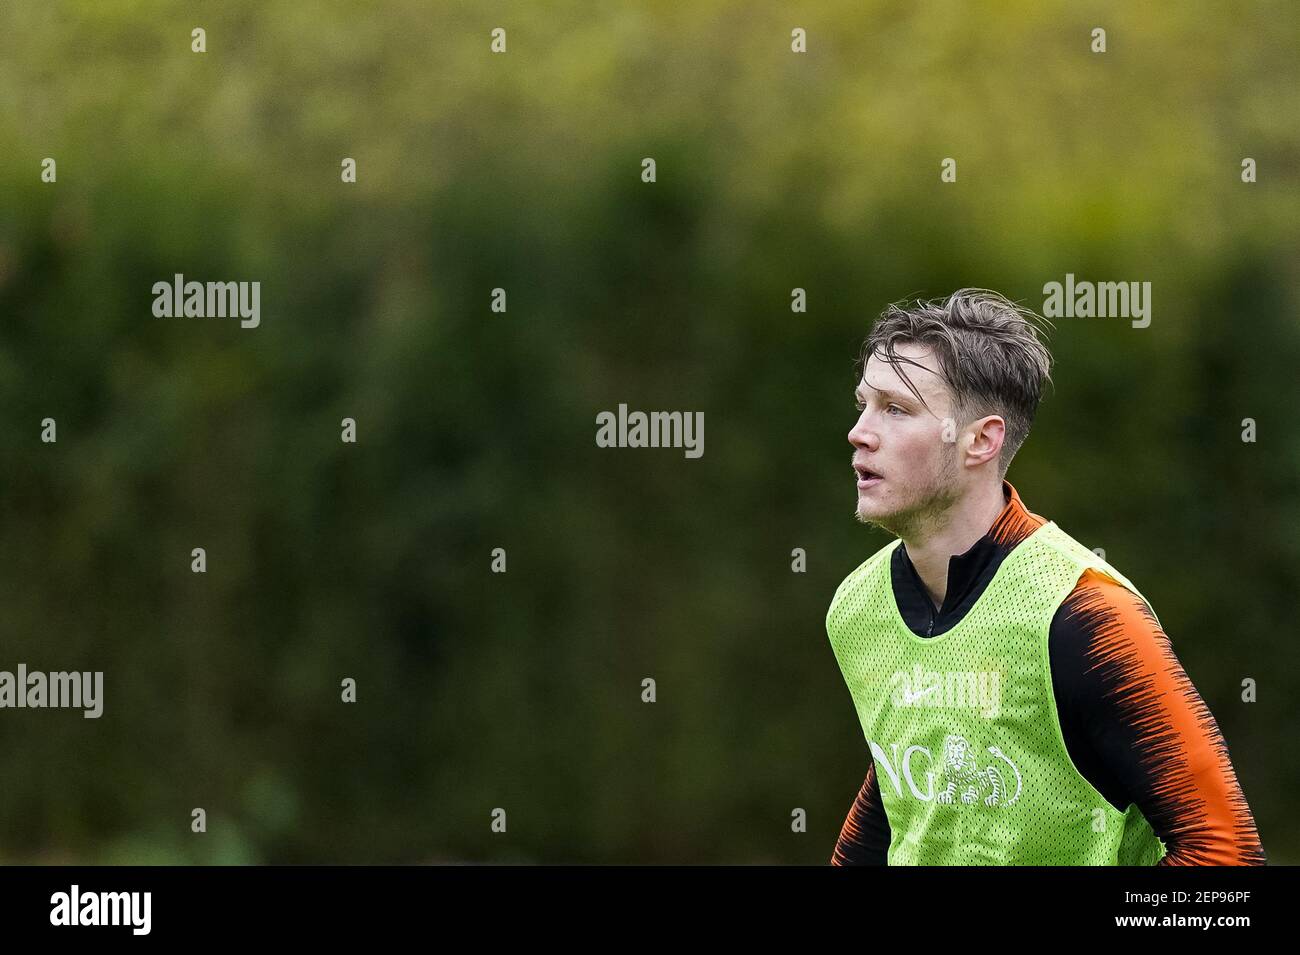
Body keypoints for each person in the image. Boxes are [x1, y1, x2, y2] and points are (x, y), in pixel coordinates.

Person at [825, 289, 1265, 865]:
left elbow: (1225, 854)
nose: (860, 431)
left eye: (896, 409)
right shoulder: (857, 608)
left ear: (981, 440)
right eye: (864, 404)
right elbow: (907, 795)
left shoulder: (1086, 614)